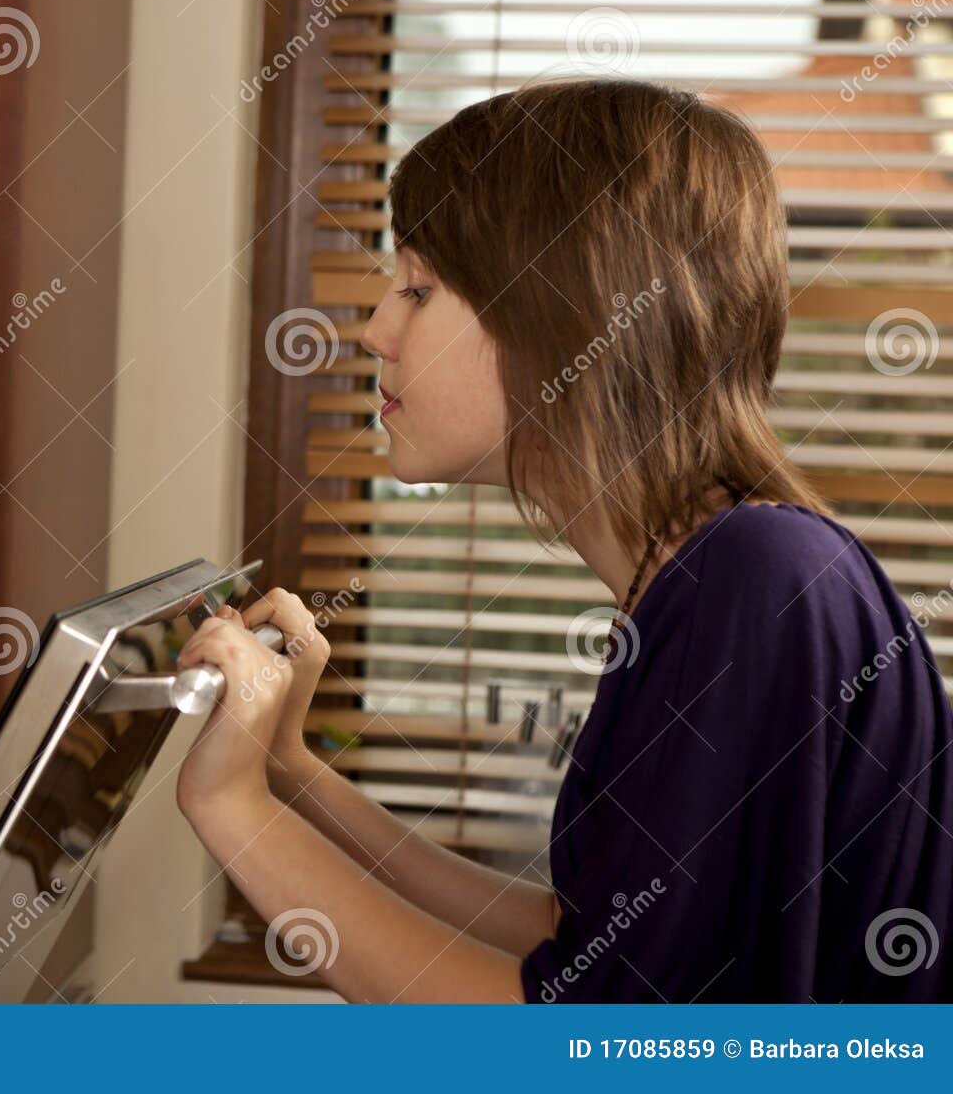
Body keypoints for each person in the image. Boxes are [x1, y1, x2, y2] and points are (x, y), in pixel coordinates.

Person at [175, 78, 953, 1002]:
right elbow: (574, 940)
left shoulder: (758, 583)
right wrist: (292, 773)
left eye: (419, 288)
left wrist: (231, 807)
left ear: (567, 313)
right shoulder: (703, 580)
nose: (376, 327)